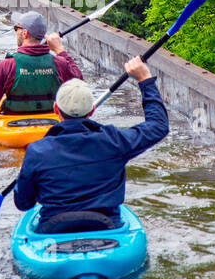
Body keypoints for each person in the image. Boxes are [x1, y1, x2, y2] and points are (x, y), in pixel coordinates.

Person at [13, 58, 169, 231]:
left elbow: (23, 203)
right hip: (106, 229)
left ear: (56, 109)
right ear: (92, 110)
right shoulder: (114, 141)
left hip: (54, 231)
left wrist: (24, 178)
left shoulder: (37, 151)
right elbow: (158, 126)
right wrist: (145, 79)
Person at [0, 10, 82, 116]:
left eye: (16, 28)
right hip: (50, 122)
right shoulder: (59, 63)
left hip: (14, 127)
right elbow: (79, 85)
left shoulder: (5, 66)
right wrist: (60, 50)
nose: (15, 31)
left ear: (25, 34)